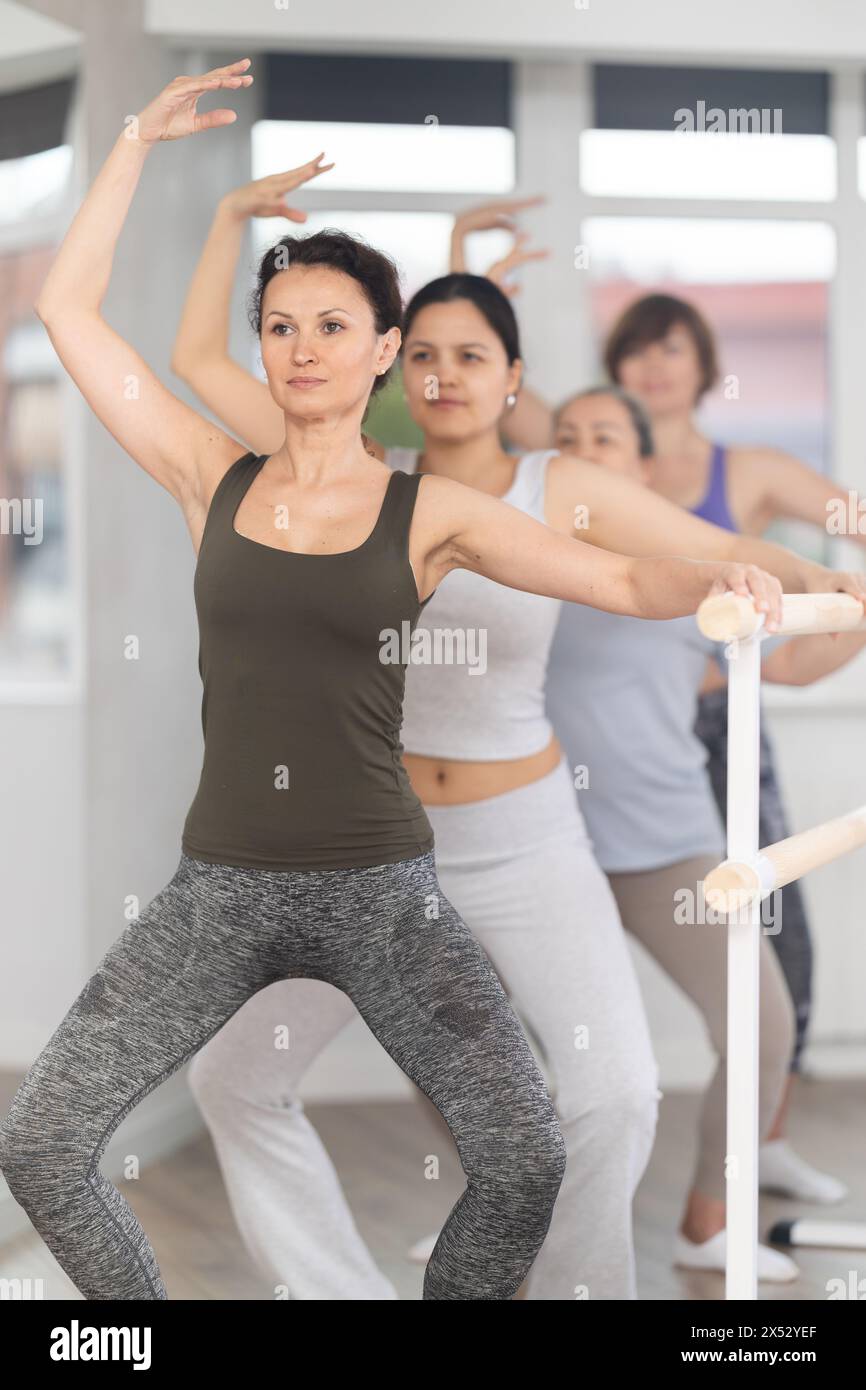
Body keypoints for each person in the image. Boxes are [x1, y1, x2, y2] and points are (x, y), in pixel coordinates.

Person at [0, 59, 797, 1303]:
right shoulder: (207, 473)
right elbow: (70, 314)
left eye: (331, 326)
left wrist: (725, 583)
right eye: (279, 325)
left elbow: (615, 579)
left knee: (527, 1153)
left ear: (383, 351)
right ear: (259, 348)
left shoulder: (431, 512)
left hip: (382, 885)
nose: (301, 347)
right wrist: (134, 144)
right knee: (43, 1138)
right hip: (222, 885)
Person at [167, 161, 865, 1296]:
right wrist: (226, 218)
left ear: (511, 378)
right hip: (374, 843)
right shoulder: (361, 470)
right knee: (232, 1076)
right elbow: (198, 364)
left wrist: (820, 579)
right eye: (426, 352)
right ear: (392, 362)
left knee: (613, 1092)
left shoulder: (557, 484)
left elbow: (678, 555)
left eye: (471, 355)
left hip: (524, 834)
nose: (445, 375)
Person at [455, 202, 864, 1201]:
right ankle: (500, 1206)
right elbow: (484, 395)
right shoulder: (538, 525)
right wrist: (474, 276)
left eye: (669, 351)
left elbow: (797, 605)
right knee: (476, 1033)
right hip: (538, 821)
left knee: (770, 994)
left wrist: (843, 597)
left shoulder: (705, 533)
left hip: (679, 795)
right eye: (571, 436)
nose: (586, 444)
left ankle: (719, 1193)